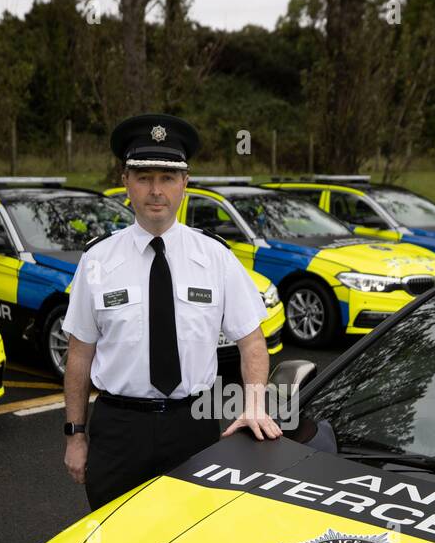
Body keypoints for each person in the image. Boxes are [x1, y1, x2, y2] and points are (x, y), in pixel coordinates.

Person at [61, 113, 282, 509]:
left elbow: (251, 341)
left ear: (185, 183)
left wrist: (253, 405)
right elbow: (79, 354)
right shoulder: (96, 260)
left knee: (191, 542)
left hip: (193, 425)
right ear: (125, 182)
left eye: (166, 178)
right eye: (144, 177)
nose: (155, 191)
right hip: (118, 430)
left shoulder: (216, 257)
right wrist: (76, 434)